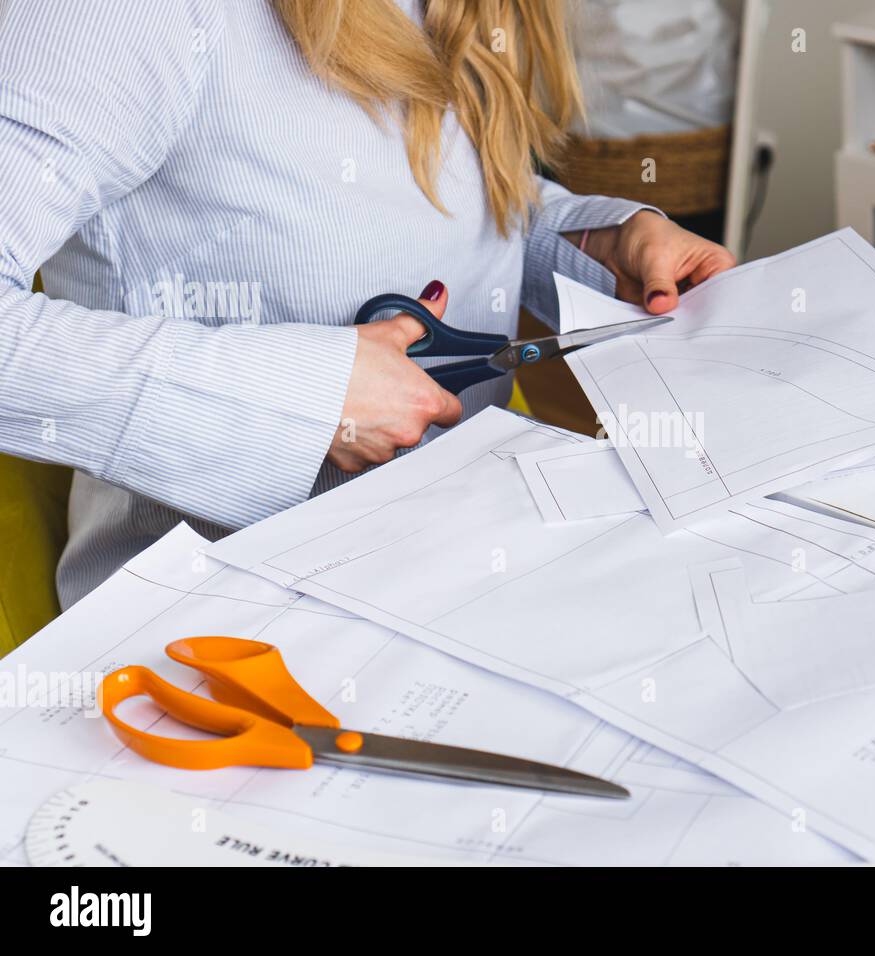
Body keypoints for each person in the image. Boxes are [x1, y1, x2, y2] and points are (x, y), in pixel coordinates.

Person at [0, 0, 735, 606]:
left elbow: (405, 201)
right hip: (230, 611)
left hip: (470, 550)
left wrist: (593, 243)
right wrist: (312, 396)